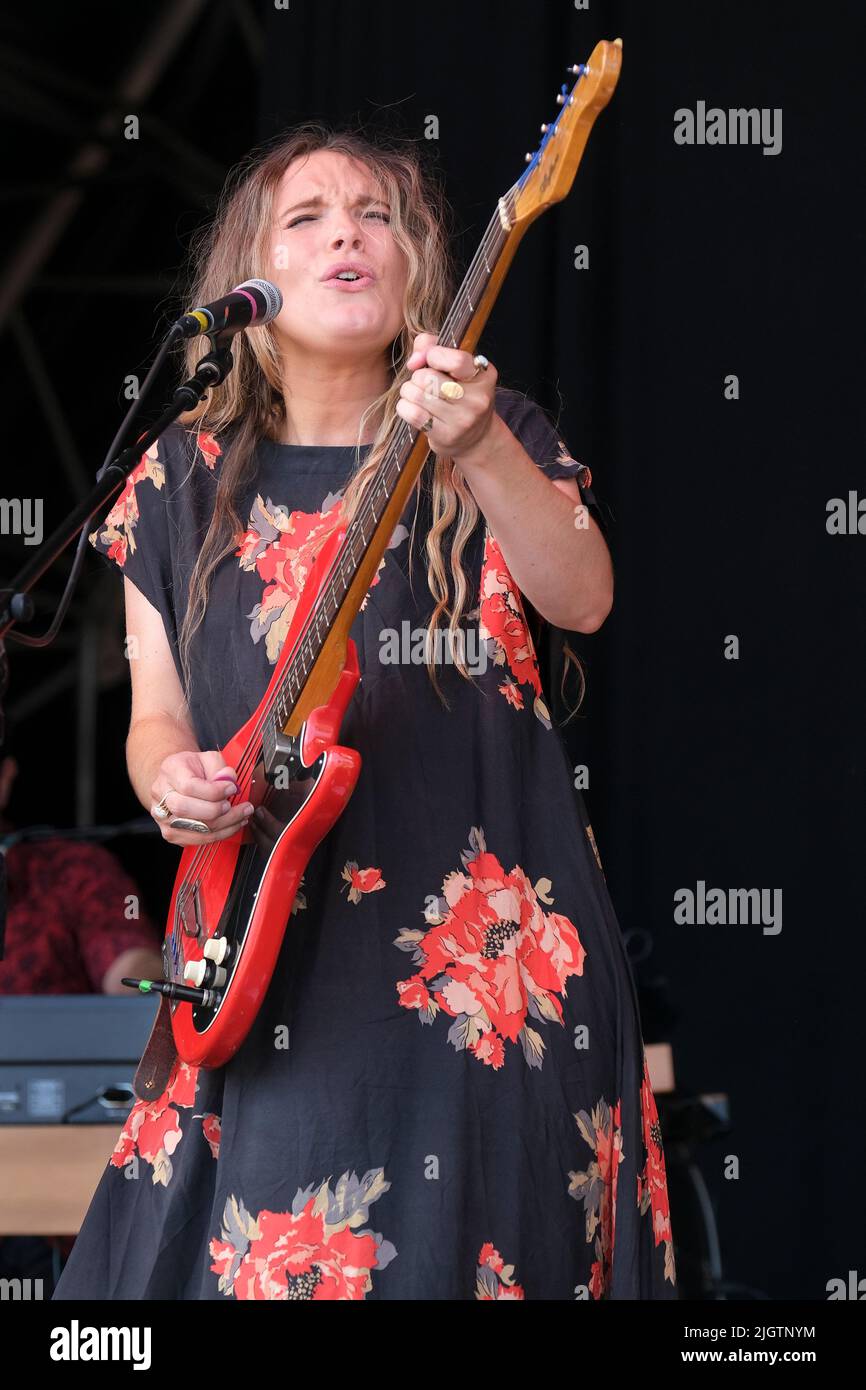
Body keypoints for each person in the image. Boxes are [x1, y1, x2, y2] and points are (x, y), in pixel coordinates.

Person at [53, 124, 676, 1300]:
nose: (347, 229)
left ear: (415, 270)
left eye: (377, 214)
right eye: (307, 216)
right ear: (246, 283)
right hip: (259, 964)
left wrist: (482, 444)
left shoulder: (493, 433)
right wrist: (166, 782)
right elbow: (155, 721)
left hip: (486, 977)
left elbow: (582, 598)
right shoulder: (175, 478)